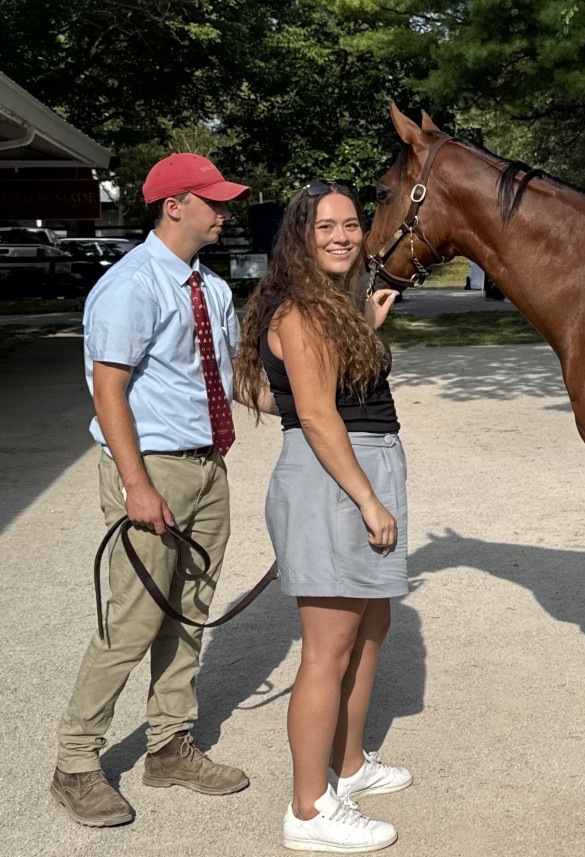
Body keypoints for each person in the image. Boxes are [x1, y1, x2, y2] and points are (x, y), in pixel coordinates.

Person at [52, 154, 254, 827]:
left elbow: (226, 380)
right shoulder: (129, 286)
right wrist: (136, 483)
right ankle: (76, 761)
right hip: (151, 469)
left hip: (206, 468)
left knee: (189, 612)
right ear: (175, 205)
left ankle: (169, 744)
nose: (224, 213)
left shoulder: (214, 289)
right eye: (213, 202)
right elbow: (107, 387)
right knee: (135, 619)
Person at [234, 180, 409, 853]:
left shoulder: (332, 308)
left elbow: (318, 386)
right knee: (327, 649)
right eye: (326, 226)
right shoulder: (300, 311)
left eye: (352, 224)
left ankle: (353, 764)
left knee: (372, 626)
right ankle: (308, 810)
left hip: (358, 464)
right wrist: (366, 497)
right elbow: (312, 412)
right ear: (301, 238)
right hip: (335, 477)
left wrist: (363, 326)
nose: (342, 235)